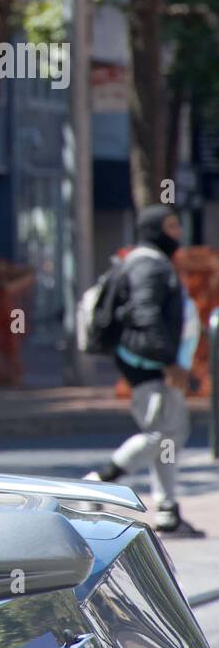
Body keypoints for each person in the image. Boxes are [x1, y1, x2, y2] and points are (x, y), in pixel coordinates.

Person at [83, 205, 203, 538]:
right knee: (160, 433)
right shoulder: (148, 264)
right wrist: (169, 362)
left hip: (152, 361)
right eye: (171, 225)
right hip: (151, 364)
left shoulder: (150, 262)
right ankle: (99, 483)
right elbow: (146, 313)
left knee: (169, 435)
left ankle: (167, 510)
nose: (178, 231)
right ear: (154, 229)